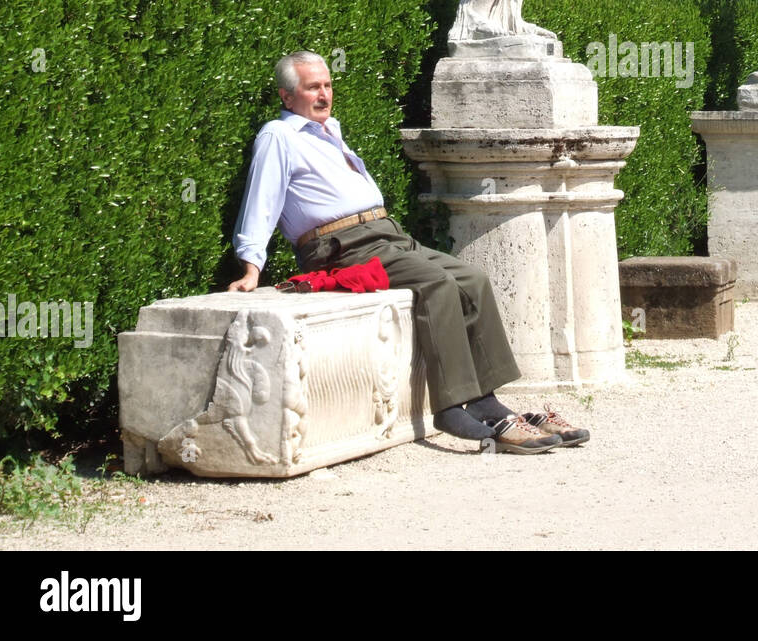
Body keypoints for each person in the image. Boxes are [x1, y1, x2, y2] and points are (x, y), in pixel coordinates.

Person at [228, 50, 588, 455]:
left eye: (327, 85)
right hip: (341, 246)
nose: (324, 94)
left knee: (472, 279)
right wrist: (251, 267)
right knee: (436, 284)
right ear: (287, 96)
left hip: (383, 234)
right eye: (313, 87)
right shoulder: (279, 136)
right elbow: (261, 201)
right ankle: (451, 404)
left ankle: (485, 397)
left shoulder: (329, 131)